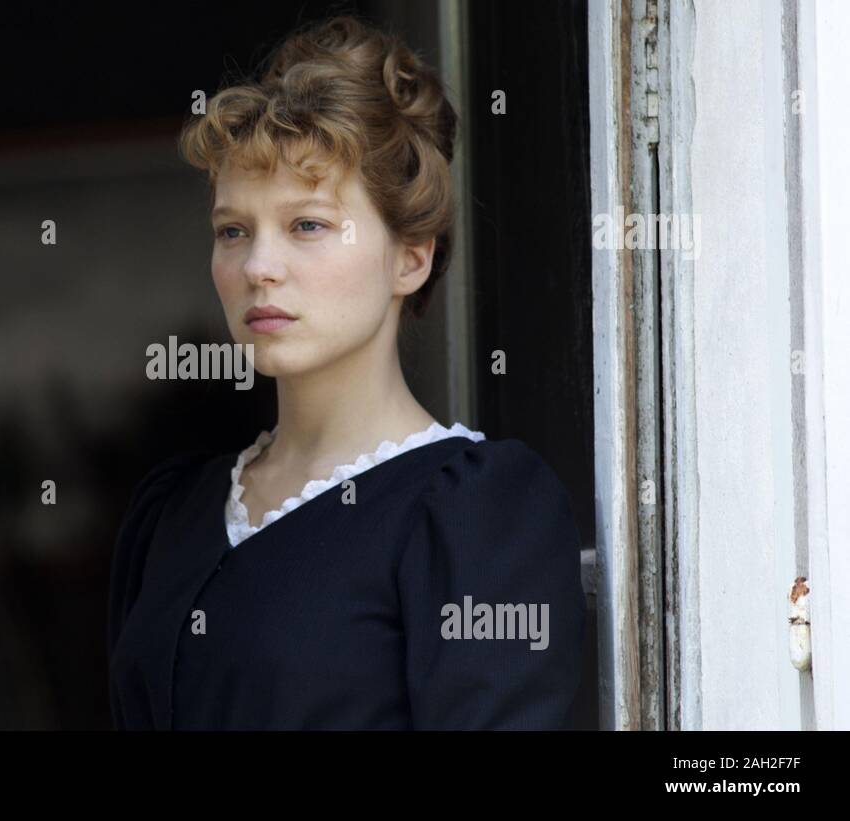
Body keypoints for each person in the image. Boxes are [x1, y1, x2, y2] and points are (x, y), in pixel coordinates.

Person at [106, 15, 585, 730]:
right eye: (233, 230)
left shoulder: (473, 515)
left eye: (307, 225)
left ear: (410, 258)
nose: (258, 267)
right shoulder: (172, 513)